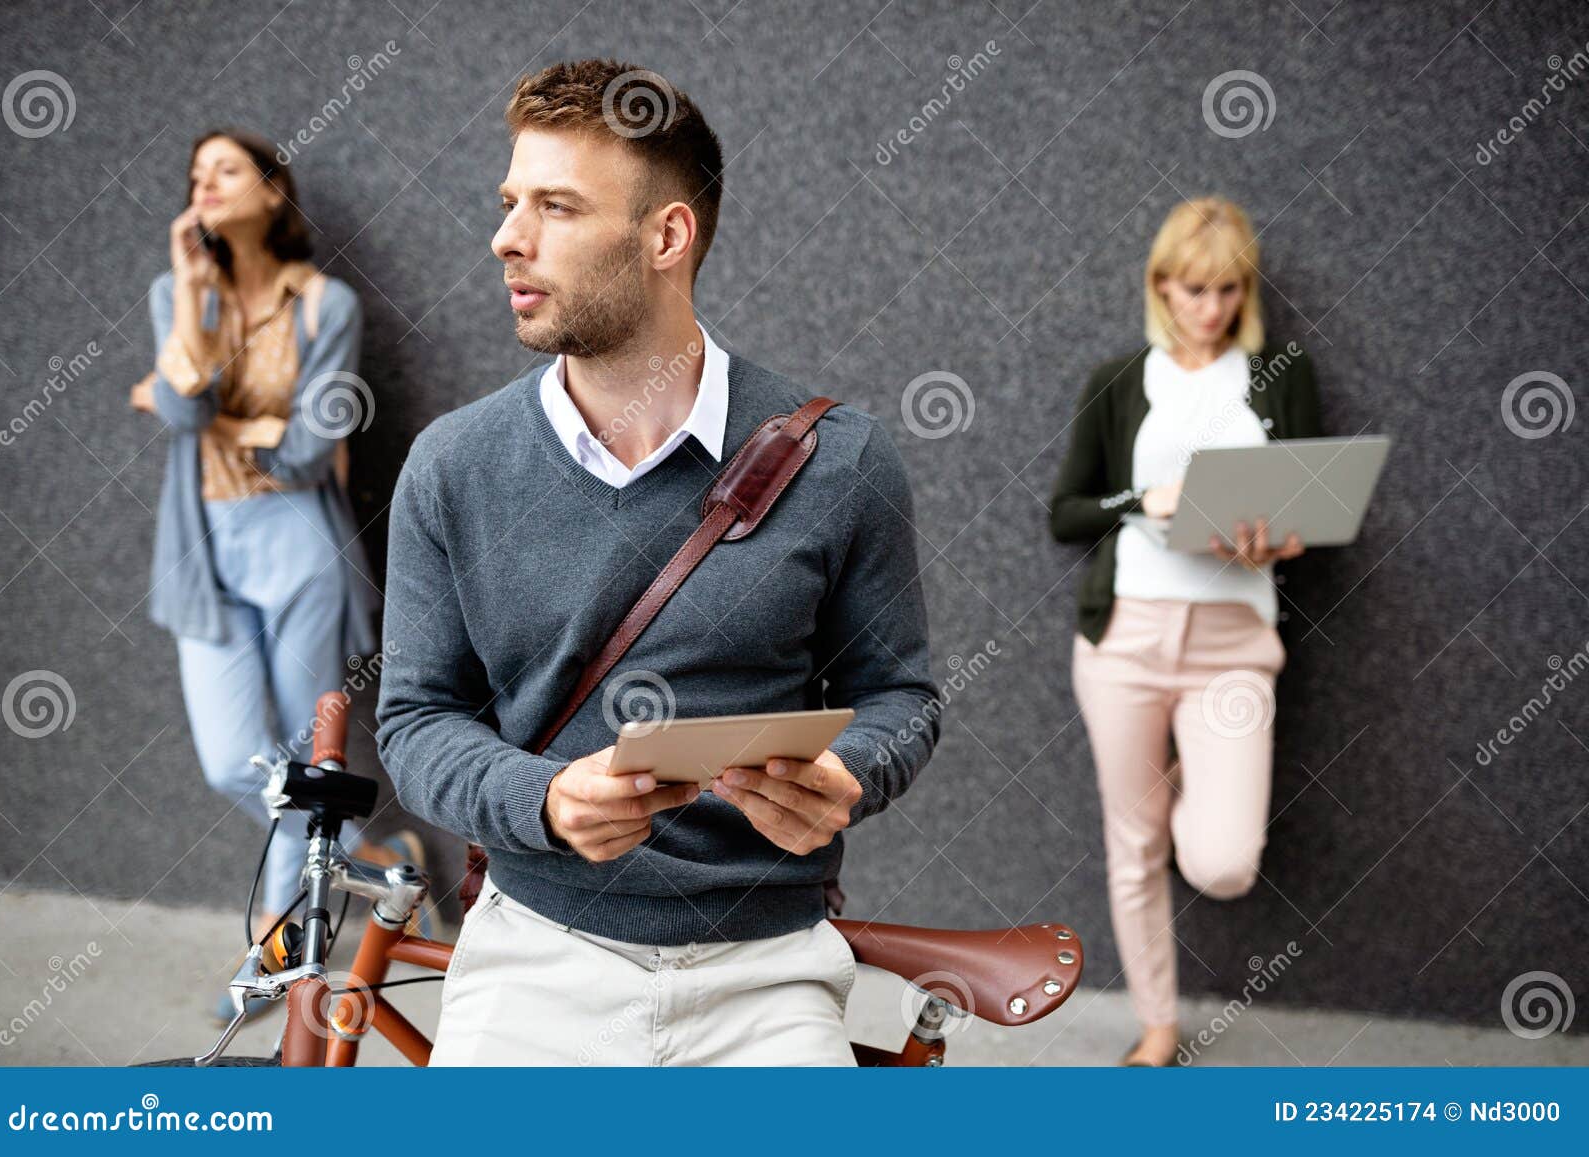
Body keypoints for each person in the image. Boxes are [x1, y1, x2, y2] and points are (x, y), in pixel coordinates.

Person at [375, 60, 940, 1066]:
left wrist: (846, 772)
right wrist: (539, 800)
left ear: (665, 236)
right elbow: (415, 722)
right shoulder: (452, 465)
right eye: (511, 202)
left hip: (767, 972)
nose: (507, 236)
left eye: (555, 206)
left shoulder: (843, 459)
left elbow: (899, 694)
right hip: (531, 956)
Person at [130, 129, 425, 1021]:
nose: (205, 185)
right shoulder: (178, 294)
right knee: (234, 759)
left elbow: (304, 449)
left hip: (300, 540)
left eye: (225, 170)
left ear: (270, 188)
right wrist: (187, 291)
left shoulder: (323, 303)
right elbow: (186, 408)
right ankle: (373, 861)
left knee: (306, 756)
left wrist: (200, 412)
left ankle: (278, 943)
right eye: (194, 175)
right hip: (205, 545)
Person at [1047, 197, 1322, 1066]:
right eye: (1195, 288)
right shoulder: (1120, 380)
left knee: (1224, 860)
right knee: (1133, 844)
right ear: (1161, 284)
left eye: (1229, 289)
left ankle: (1174, 783)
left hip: (1232, 643)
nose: (1212, 307)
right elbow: (1065, 511)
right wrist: (1144, 502)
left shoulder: (1281, 374)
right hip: (1125, 637)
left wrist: (1283, 534)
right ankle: (1158, 1026)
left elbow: (1308, 501)